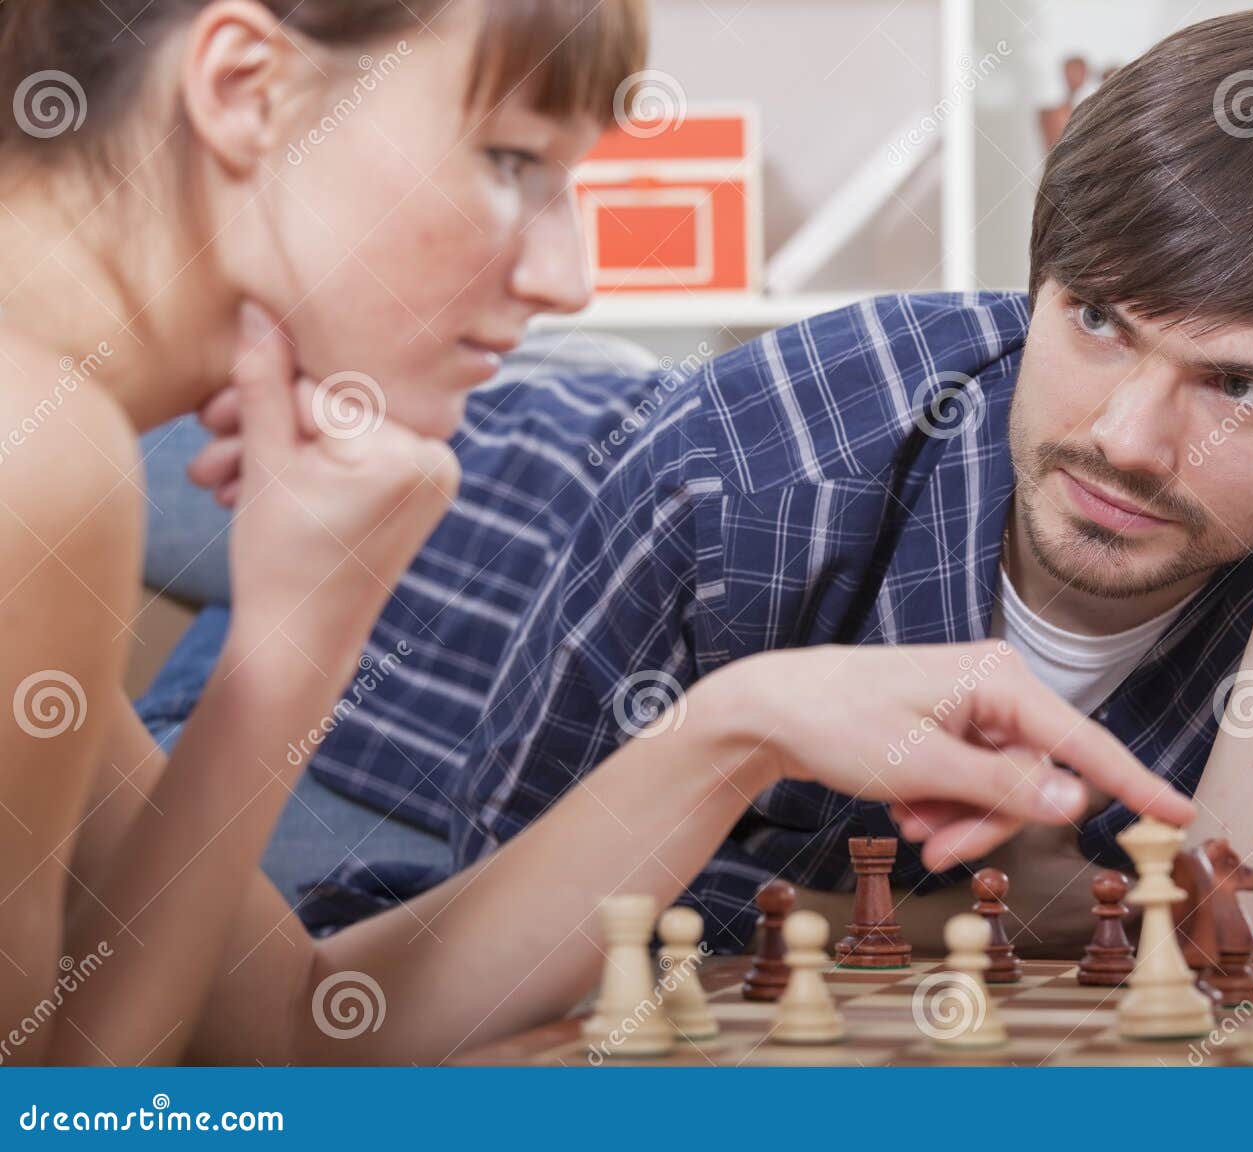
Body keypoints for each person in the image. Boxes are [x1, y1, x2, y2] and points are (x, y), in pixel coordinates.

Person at [141, 8, 1253, 967]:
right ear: (1033, 286)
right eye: (1096, 319)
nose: (1121, 437)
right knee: (144, 437)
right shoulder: (756, 459)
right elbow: (533, 899)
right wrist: (981, 916)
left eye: (1240, 386)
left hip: (567, 439)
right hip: (477, 520)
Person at [0, 0, 1192, 1067]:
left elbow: (295, 1028)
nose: (571, 277)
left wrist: (744, 723)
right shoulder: (37, 462)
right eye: (509, 158)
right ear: (243, 90)